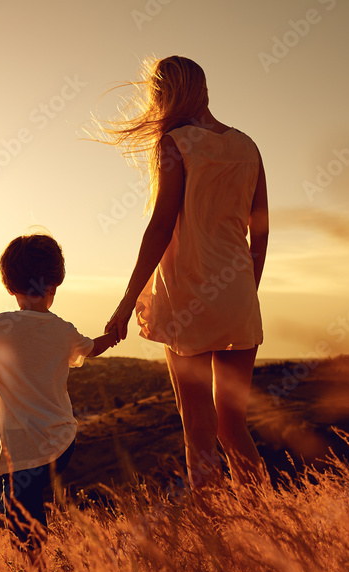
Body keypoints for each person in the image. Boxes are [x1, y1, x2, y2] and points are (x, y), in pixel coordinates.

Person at [97, 56, 268, 491]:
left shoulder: (175, 142)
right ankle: (271, 521)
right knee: (234, 427)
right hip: (238, 295)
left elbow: (159, 227)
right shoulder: (248, 145)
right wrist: (247, 291)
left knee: (198, 430)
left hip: (190, 294)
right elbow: (260, 232)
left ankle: (212, 536)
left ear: (162, 95)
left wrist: (125, 301)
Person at [0, 234, 117, 547]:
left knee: (19, 516)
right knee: (30, 504)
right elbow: (92, 348)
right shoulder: (62, 329)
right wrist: (115, 333)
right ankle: (53, 561)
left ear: (10, 286)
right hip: (63, 441)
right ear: (54, 284)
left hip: (24, 452)